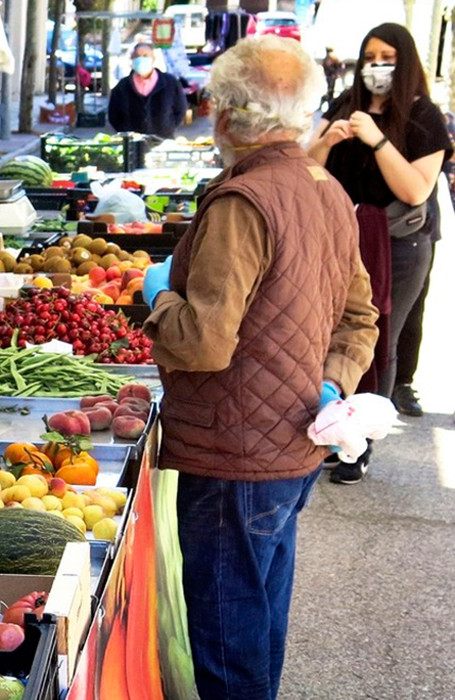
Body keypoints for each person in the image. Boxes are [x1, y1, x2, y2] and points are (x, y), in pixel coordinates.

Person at [141, 36, 378, 700]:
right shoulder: (323, 186)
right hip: (293, 446)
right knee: (257, 626)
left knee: (226, 643)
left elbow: (204, 343)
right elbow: (360, 316)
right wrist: (330, 383)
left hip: (233, 459)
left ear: (226, 114)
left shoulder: (242, 203)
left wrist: (158, 297)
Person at [308, 23, 450, 482]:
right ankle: (332, 427)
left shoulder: (425, 117)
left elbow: (415, 189)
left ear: (405, 60)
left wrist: (378, 140)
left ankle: (361, 444)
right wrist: (327, 141)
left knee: (378, 341)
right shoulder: (344, 106)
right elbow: (305, 170)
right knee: (330, 335)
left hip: (400, 244)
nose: (377, 66)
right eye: (370, 57)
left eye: (387, 56)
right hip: (341, 241)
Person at [391, 112, 455, 416]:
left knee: (411, 312)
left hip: (417, 228)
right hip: (366, 222)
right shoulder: (358, 110)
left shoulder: (429, 118)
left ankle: (401, 382)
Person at [107, 43, 187, 138]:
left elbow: (181, 109)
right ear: (132, 59)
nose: (141, 59)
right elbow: (113, 114)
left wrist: (168, 128)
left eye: (145, 56)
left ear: (153, 58)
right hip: (132, 143)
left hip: (163, 140)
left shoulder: (170, 83)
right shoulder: (122, 86)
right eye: (137, 56)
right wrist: (124, 131)